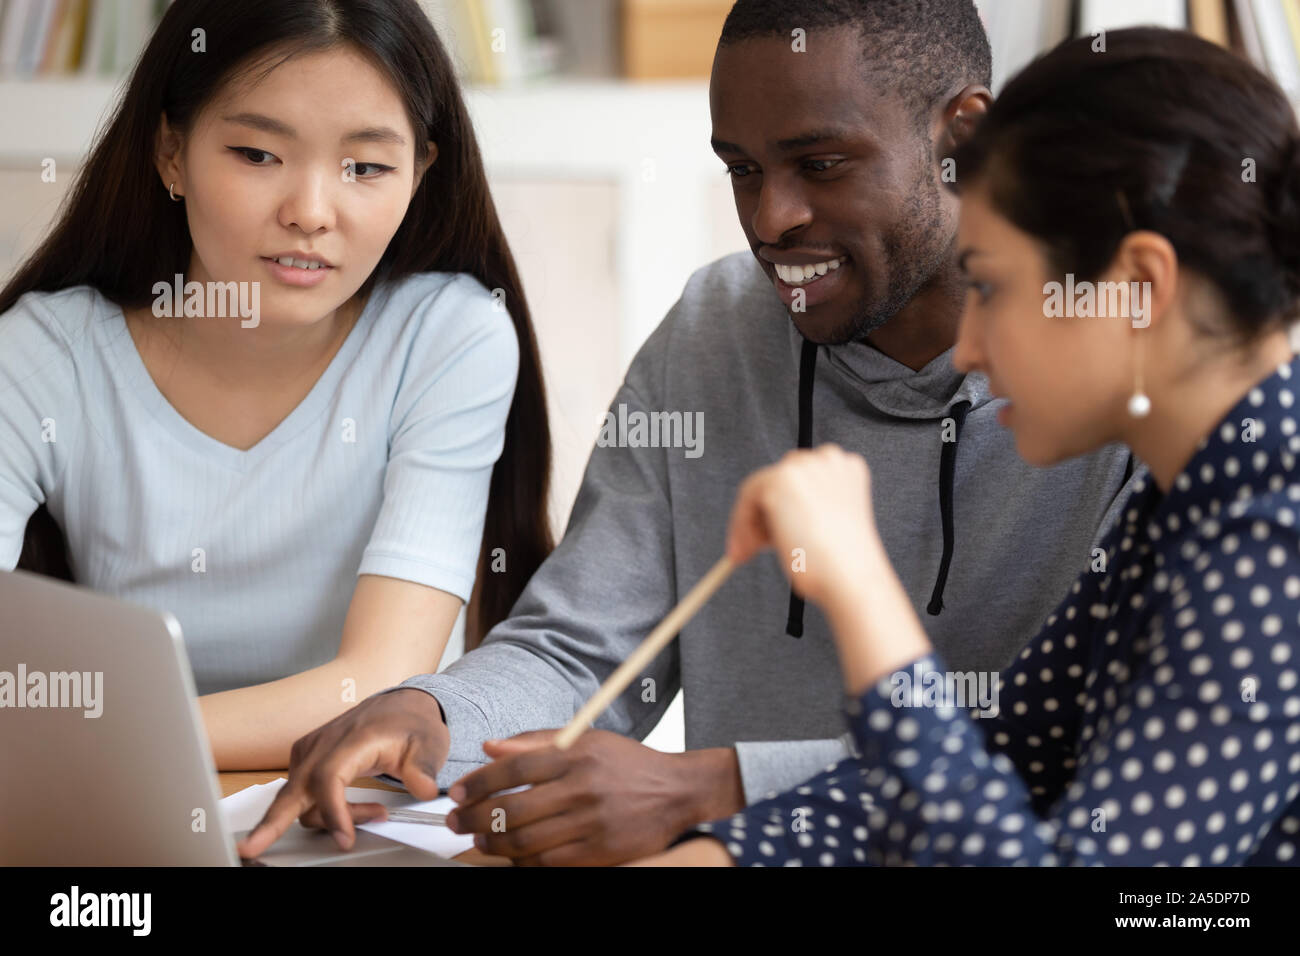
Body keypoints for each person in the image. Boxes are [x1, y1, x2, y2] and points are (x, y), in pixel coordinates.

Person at [239, 0, 1136, 865]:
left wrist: (712, 787)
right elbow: (581, 644)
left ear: (962, 138)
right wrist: (434, 714)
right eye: (742, 169)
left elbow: (1064, 750)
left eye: (820, 164)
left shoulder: (1116, 390)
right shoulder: (716, 324)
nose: (769, 219)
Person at [635, 26, 1300, 866]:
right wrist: (711, 858)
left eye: (991, 286)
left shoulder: (1273, 534)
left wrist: (862, 587)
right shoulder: (1189, 502)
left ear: (1138, 285)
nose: (973, 347)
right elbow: (996, 768)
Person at [0, 0, 552, 769]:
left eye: (366, 166)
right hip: (128, 804)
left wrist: (101, 739)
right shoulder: (44, 354)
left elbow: (380, 681)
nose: (311, 213)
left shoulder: (446, 337)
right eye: (258, 155)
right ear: (170, 151)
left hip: (363, 809)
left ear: (421, 172)